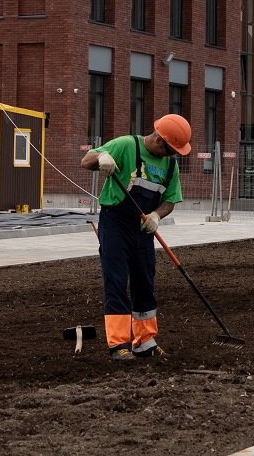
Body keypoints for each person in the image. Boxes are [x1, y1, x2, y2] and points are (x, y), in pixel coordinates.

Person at [81, 113, 192, 361]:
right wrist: (102, 157)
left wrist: (156, 215)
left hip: (143, 230)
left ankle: (145, 342)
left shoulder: (170, 166)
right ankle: (119, 344)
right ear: (159, 140)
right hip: (115, 225)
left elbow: (171, 199)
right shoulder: (124, 145)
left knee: (144, 282)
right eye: (171, 149)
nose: (172, 155)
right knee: (117, 281)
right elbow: (86, 161)